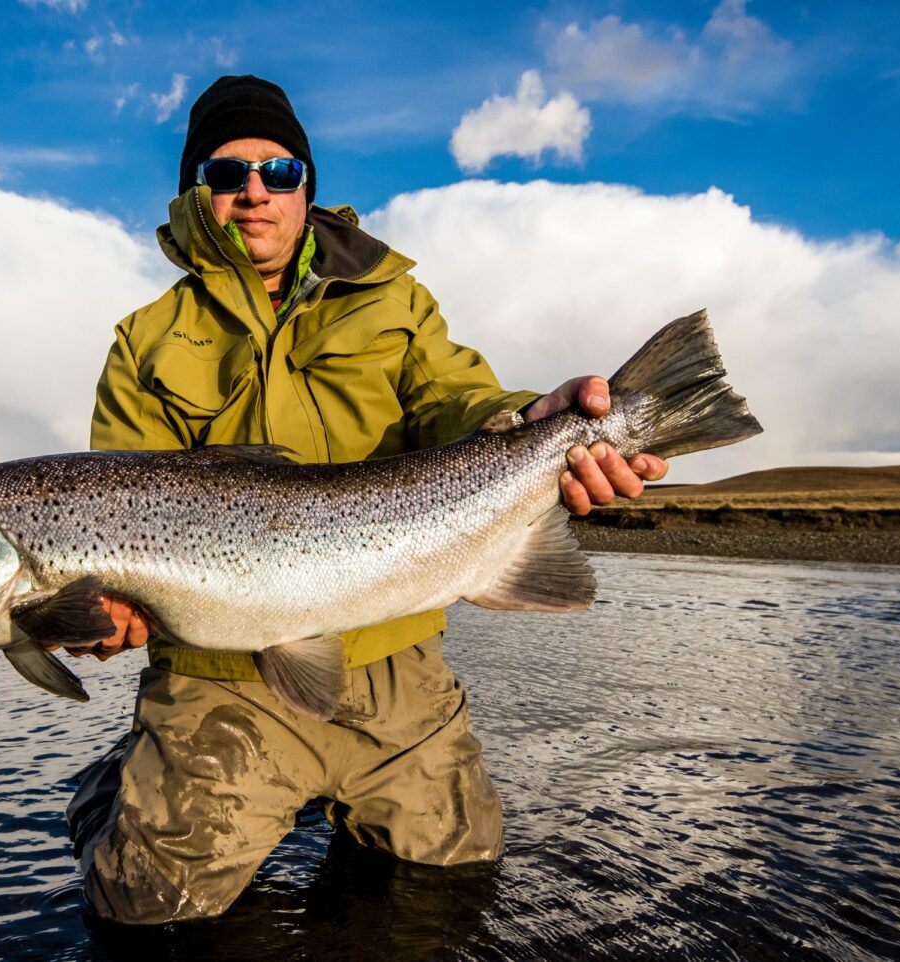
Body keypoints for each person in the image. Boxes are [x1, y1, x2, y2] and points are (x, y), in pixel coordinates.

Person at [64, 75, 668, 925]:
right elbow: (111, 506)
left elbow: (458, 403)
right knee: (141, 911)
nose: (253, 193)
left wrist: (538, 421)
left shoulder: (396, 299)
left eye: (277, 171)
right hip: (218, 681)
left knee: (454, 888)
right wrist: (102, 618)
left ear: (306, 185)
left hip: (398, 667)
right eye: (225, 174)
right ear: (195, 194)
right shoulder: (146, 339)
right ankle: (110, 794)